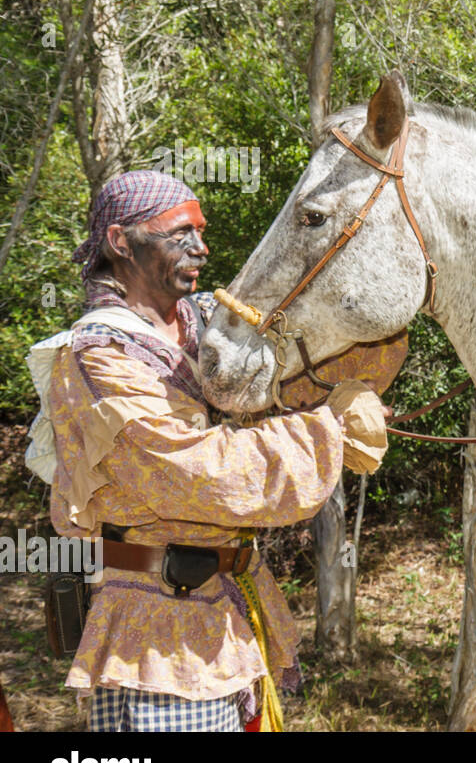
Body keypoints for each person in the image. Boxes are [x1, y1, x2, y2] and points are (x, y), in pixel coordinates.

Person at [40, 170, 391, 731]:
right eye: (180, 233)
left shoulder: (211, 326)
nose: (201, 247)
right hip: (159, 635)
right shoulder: (95, 355)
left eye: (201, 232)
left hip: (226, 615)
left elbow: (306, 382)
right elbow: (196, 473)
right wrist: (330, 428)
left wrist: (378, 316)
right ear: (120, 242)